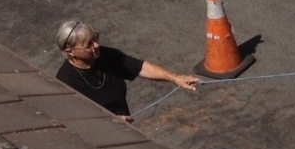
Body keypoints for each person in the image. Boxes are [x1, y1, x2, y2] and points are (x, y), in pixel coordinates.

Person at [55, 20, 200, 122]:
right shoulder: (65, 81)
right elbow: (77, 122)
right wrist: (111, 123)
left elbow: (140, 67)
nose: (96, 45)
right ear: (71, 51)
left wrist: (174, 78)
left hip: (124, 126)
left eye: (95, 39)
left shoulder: (106, 55)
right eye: (88, 45)